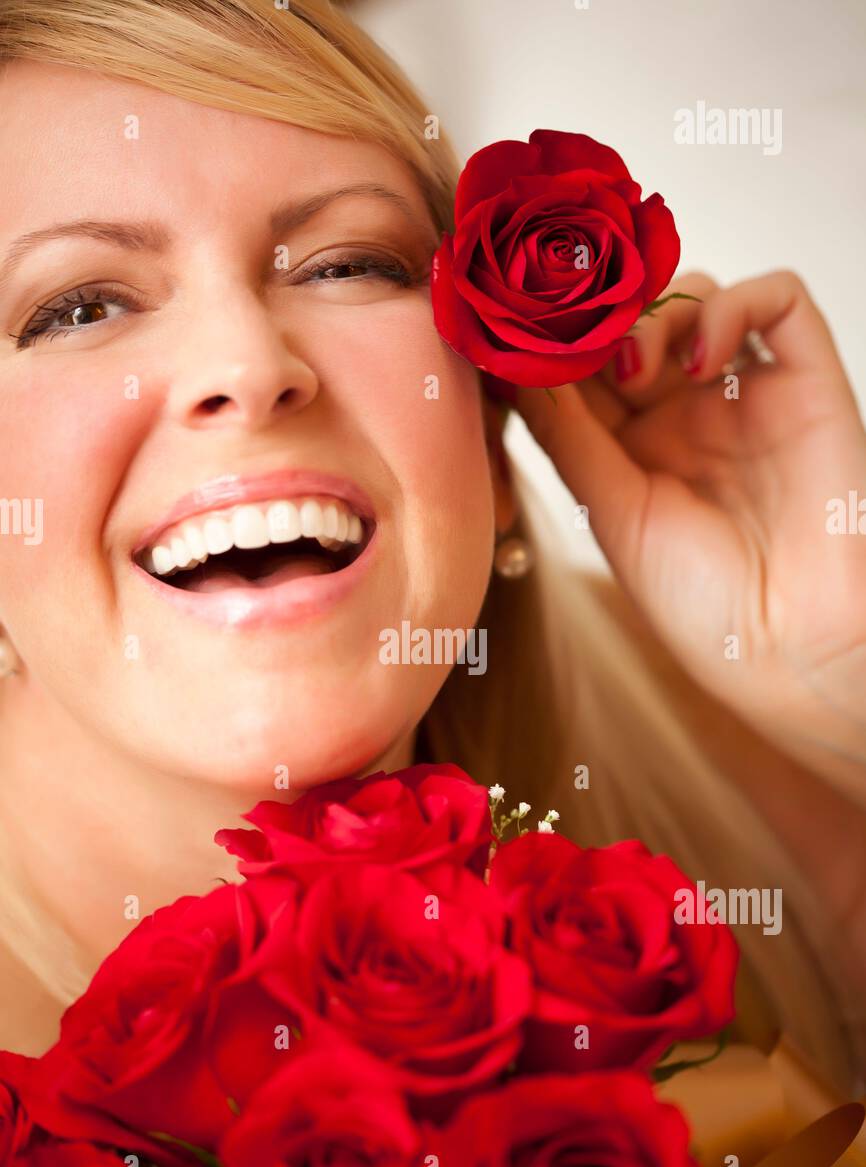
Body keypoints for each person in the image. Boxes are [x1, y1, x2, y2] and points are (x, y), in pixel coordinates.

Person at [0, 0, 864, 1093]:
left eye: (344, 265)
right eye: (78, 308)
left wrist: (842, 680)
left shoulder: (768, 804)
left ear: (496, 442)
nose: (248, 363)